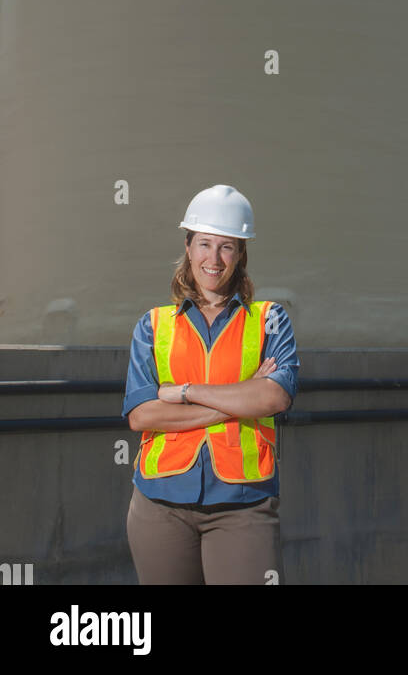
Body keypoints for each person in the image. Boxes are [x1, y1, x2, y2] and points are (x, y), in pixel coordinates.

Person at [122, 184, 299, 585]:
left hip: (242, 505)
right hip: (158, 504)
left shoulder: (270, 320)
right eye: (204, 244)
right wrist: (239, 398)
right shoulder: (152, 325)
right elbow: (142, 414)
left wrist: (185, 393)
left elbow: (274, 395)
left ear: (240, 254)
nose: (213, 259)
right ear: (188, 247)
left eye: (227, 247)